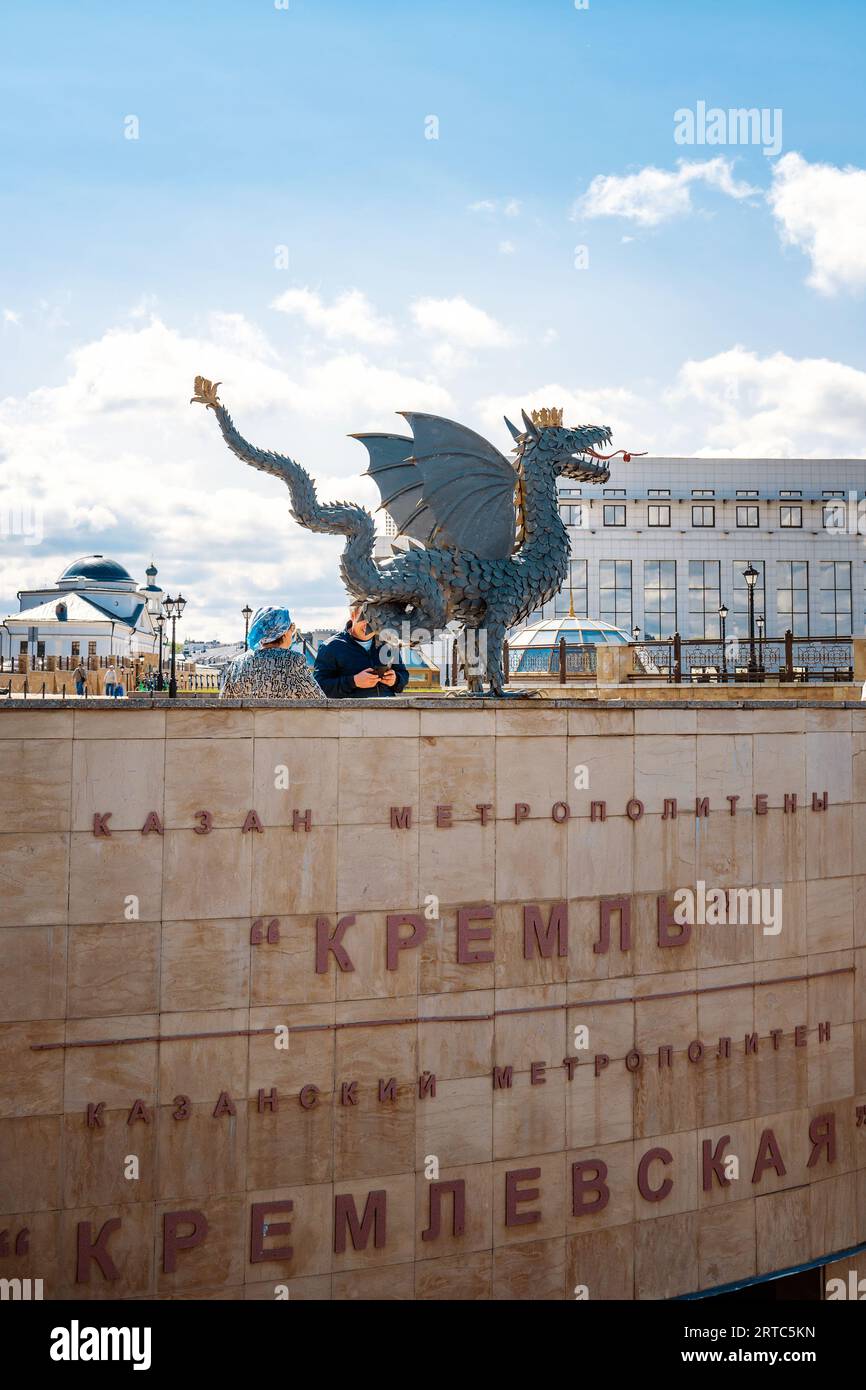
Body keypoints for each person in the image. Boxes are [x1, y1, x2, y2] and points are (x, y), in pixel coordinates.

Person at [219, 606, 324, 700]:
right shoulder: (294, 662)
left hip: (244, 722)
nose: (292, 633)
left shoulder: (238, 663)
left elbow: (224, 701)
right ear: (283, 633)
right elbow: (319, 700)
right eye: (291, 628)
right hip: (282, 721)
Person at [313, 606, 409, 699]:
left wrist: (395, 680)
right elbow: (319, 687)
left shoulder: (389, 643)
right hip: (352, 712)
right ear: (353, 615)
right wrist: (353, 681)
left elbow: (403, 675)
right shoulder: (330, 647)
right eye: (364, 618)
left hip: (388, 710)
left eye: (374, 619)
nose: (368, 625)